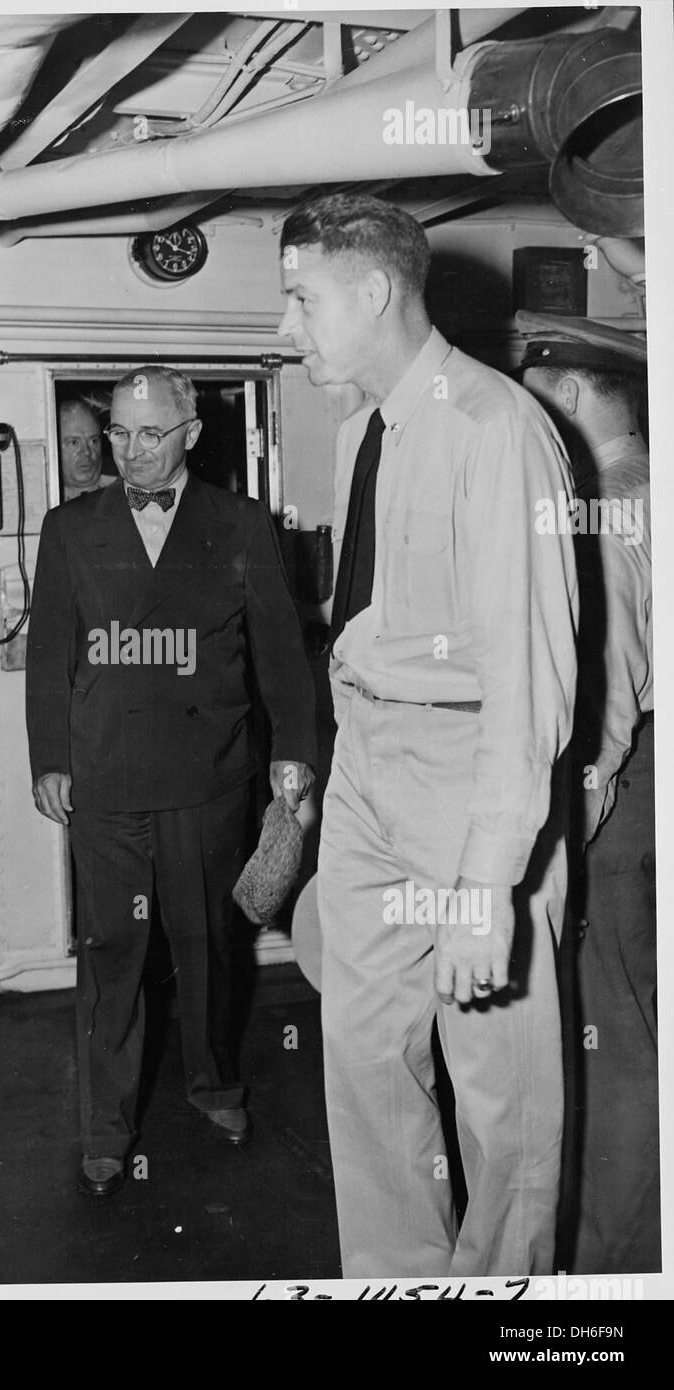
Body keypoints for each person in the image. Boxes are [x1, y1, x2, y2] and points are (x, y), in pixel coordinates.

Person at [279, 193, 578, 1277]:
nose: (286, 327)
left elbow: (527, 674)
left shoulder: (493, 428)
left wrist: (486, 881)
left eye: (299, 300)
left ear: (368, 293)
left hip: (466, 775)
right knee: (359, 1056)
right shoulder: (367, 425)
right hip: (369, 760)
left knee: (501, 1097)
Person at [26, 364, 317, 1196]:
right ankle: (105, 1126)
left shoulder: (242, 523)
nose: (129, 451)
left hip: (208, 777)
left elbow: (280, 656)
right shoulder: (69, 527)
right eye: (117, 432)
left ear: (192, 433)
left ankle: (214, 1085)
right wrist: (50, 756)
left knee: (209, 946)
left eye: (149, 433)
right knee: (112, 952)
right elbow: (49, 655)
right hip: (106, 779)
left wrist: (292, 750)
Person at [520, 311, 656, 1275]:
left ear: (566, 397)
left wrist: (576, 813)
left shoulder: (600, 512)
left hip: (633, 795)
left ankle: (614, 1264)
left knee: (615, 1029)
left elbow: (606, 689)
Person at [58, 396, 116, 500]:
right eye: (74, 442)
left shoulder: (124, 494)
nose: (86, 452)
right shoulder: (45, 497)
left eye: (93, 441)